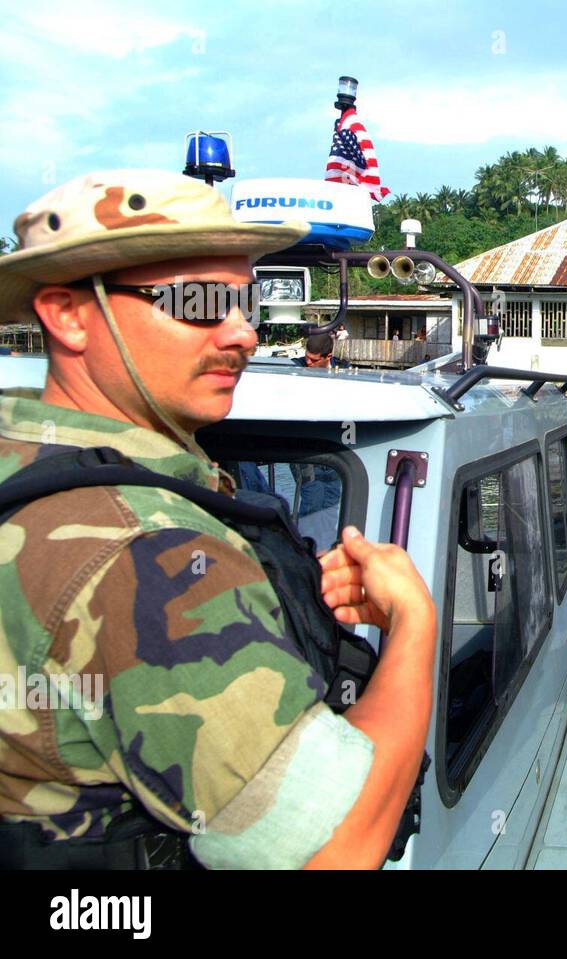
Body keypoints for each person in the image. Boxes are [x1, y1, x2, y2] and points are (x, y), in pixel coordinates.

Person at [0, 171, 438, 869]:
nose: (243, 332)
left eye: (247, 301)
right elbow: (338, 848)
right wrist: (415, 623)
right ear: (70, 313)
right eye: (200, 301)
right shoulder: (144, 552)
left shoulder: (26, 462)